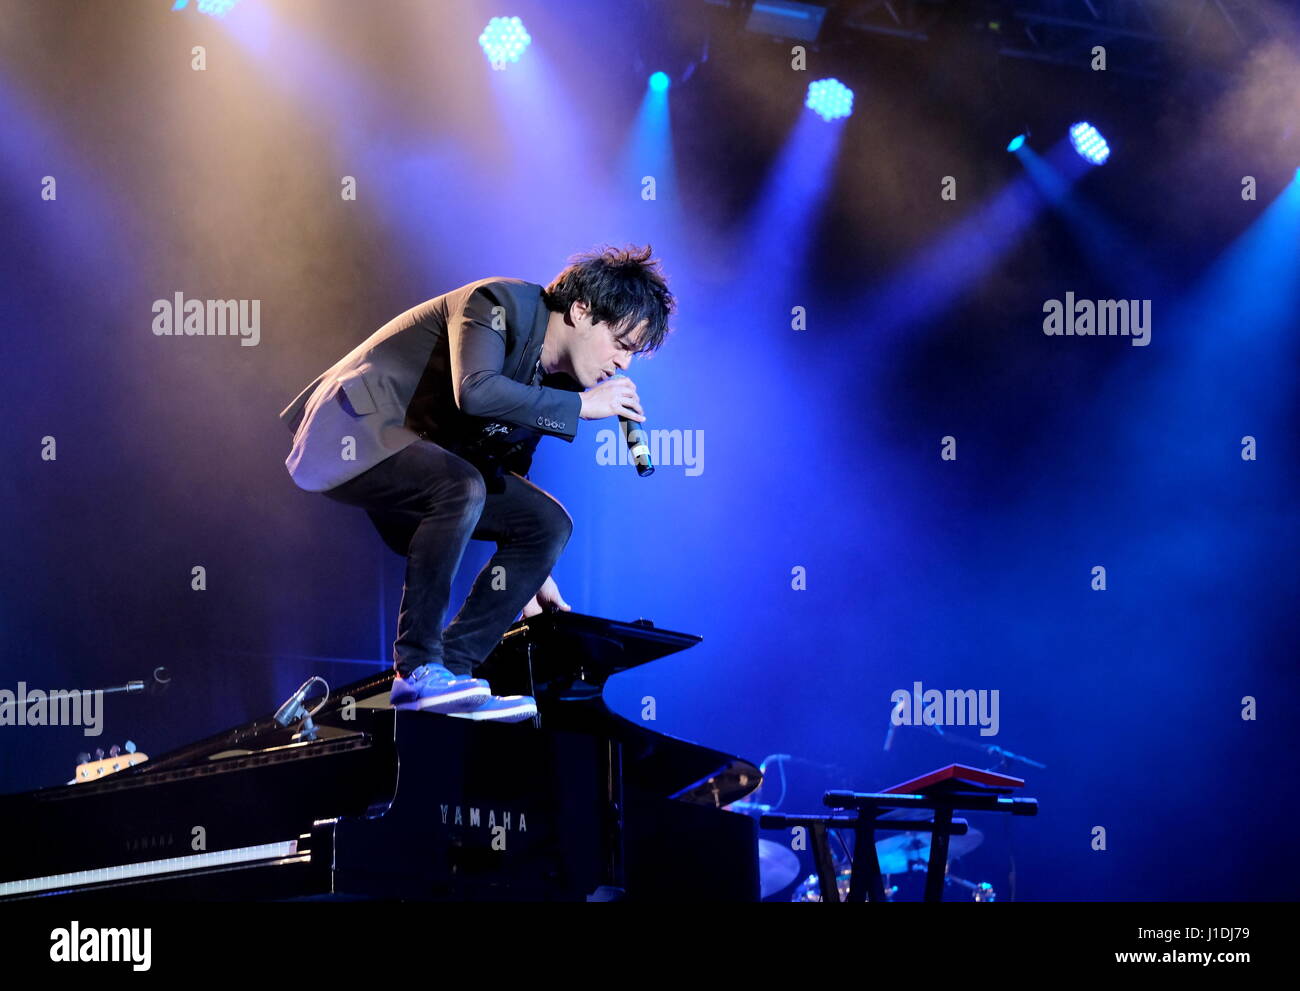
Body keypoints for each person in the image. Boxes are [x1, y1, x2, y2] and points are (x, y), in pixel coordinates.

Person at [278, 245, 674, 721]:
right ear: (581, 310)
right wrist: (583, 408)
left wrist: (529, 567)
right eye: (621, 343)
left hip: (416, 458)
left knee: (546, 523)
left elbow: (504, 467)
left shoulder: (560, 382)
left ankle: (453, 670)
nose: (624, 364)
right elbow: (477, 390)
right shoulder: (496, 304)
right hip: (348, 428)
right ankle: (418, 669)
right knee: (462, 485)